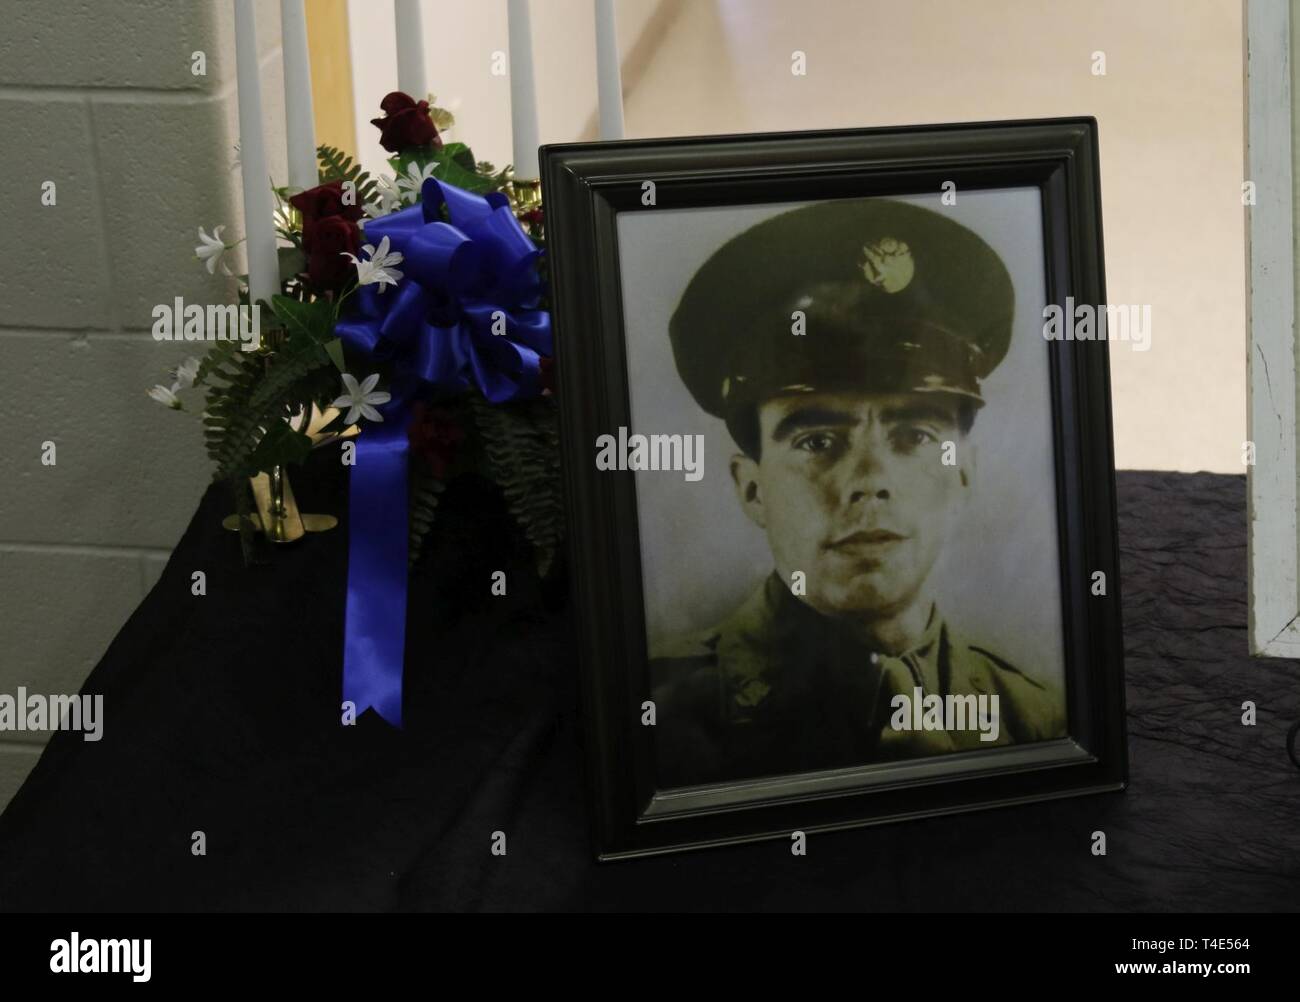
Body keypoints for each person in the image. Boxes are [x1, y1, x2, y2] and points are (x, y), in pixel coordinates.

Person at [649, 197, 1067, 788]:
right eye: (818, 441)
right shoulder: (655, 714)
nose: (869, 481)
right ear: (752, 489)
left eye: (914, 436)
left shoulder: (1037, 720)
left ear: (963, 471)